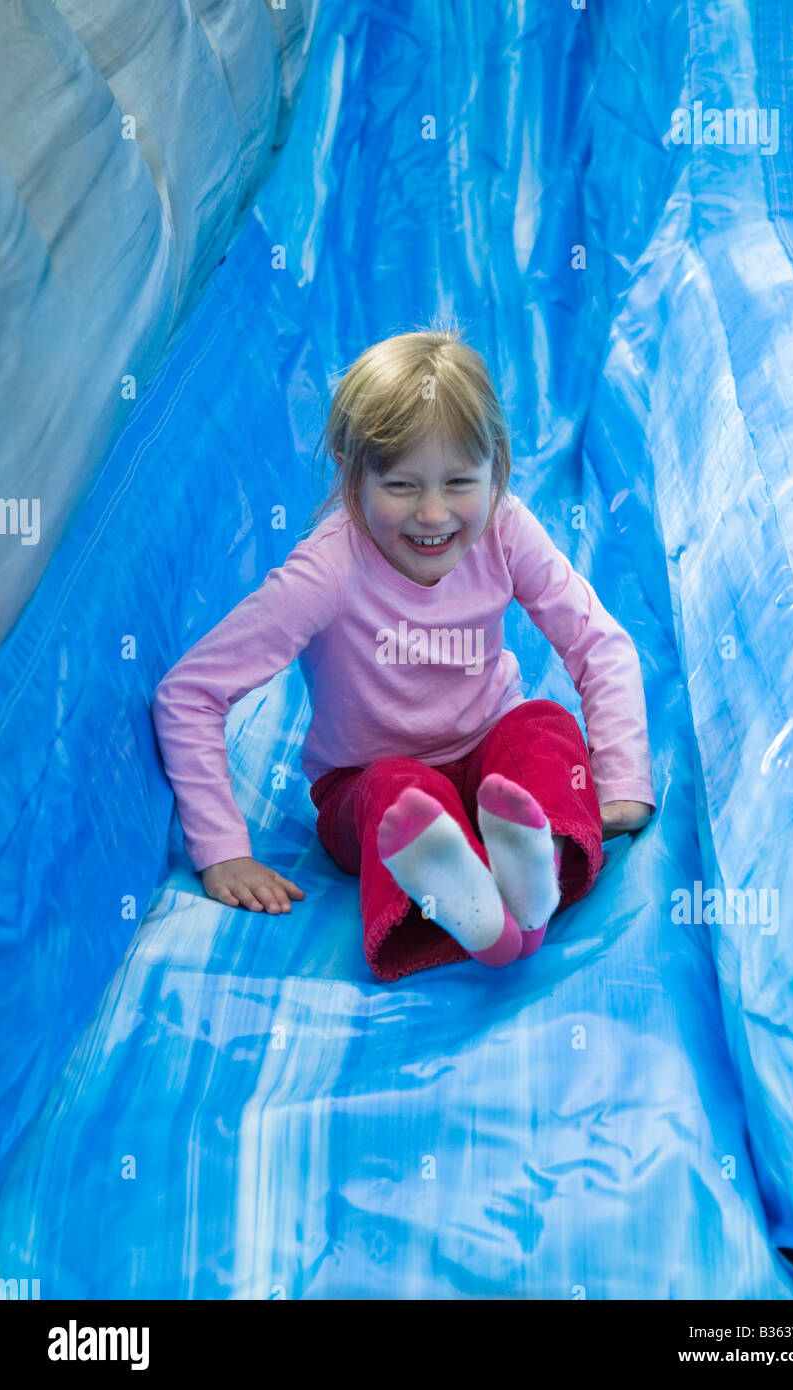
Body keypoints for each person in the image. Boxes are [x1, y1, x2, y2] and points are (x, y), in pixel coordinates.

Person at [151, 327, 655, 982]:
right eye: (400, 485)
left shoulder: (503, 527)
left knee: (543, 726)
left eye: (457, 481)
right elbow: (189, 694)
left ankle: (530, 871)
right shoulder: (326, 571)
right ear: (348, 467)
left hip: (487, 769)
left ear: (495, 465)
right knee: (398, 785)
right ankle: (464, 900)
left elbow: (597, 640)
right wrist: (221, 850)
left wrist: (620, 782)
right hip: (366, 788)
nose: (433, 513)